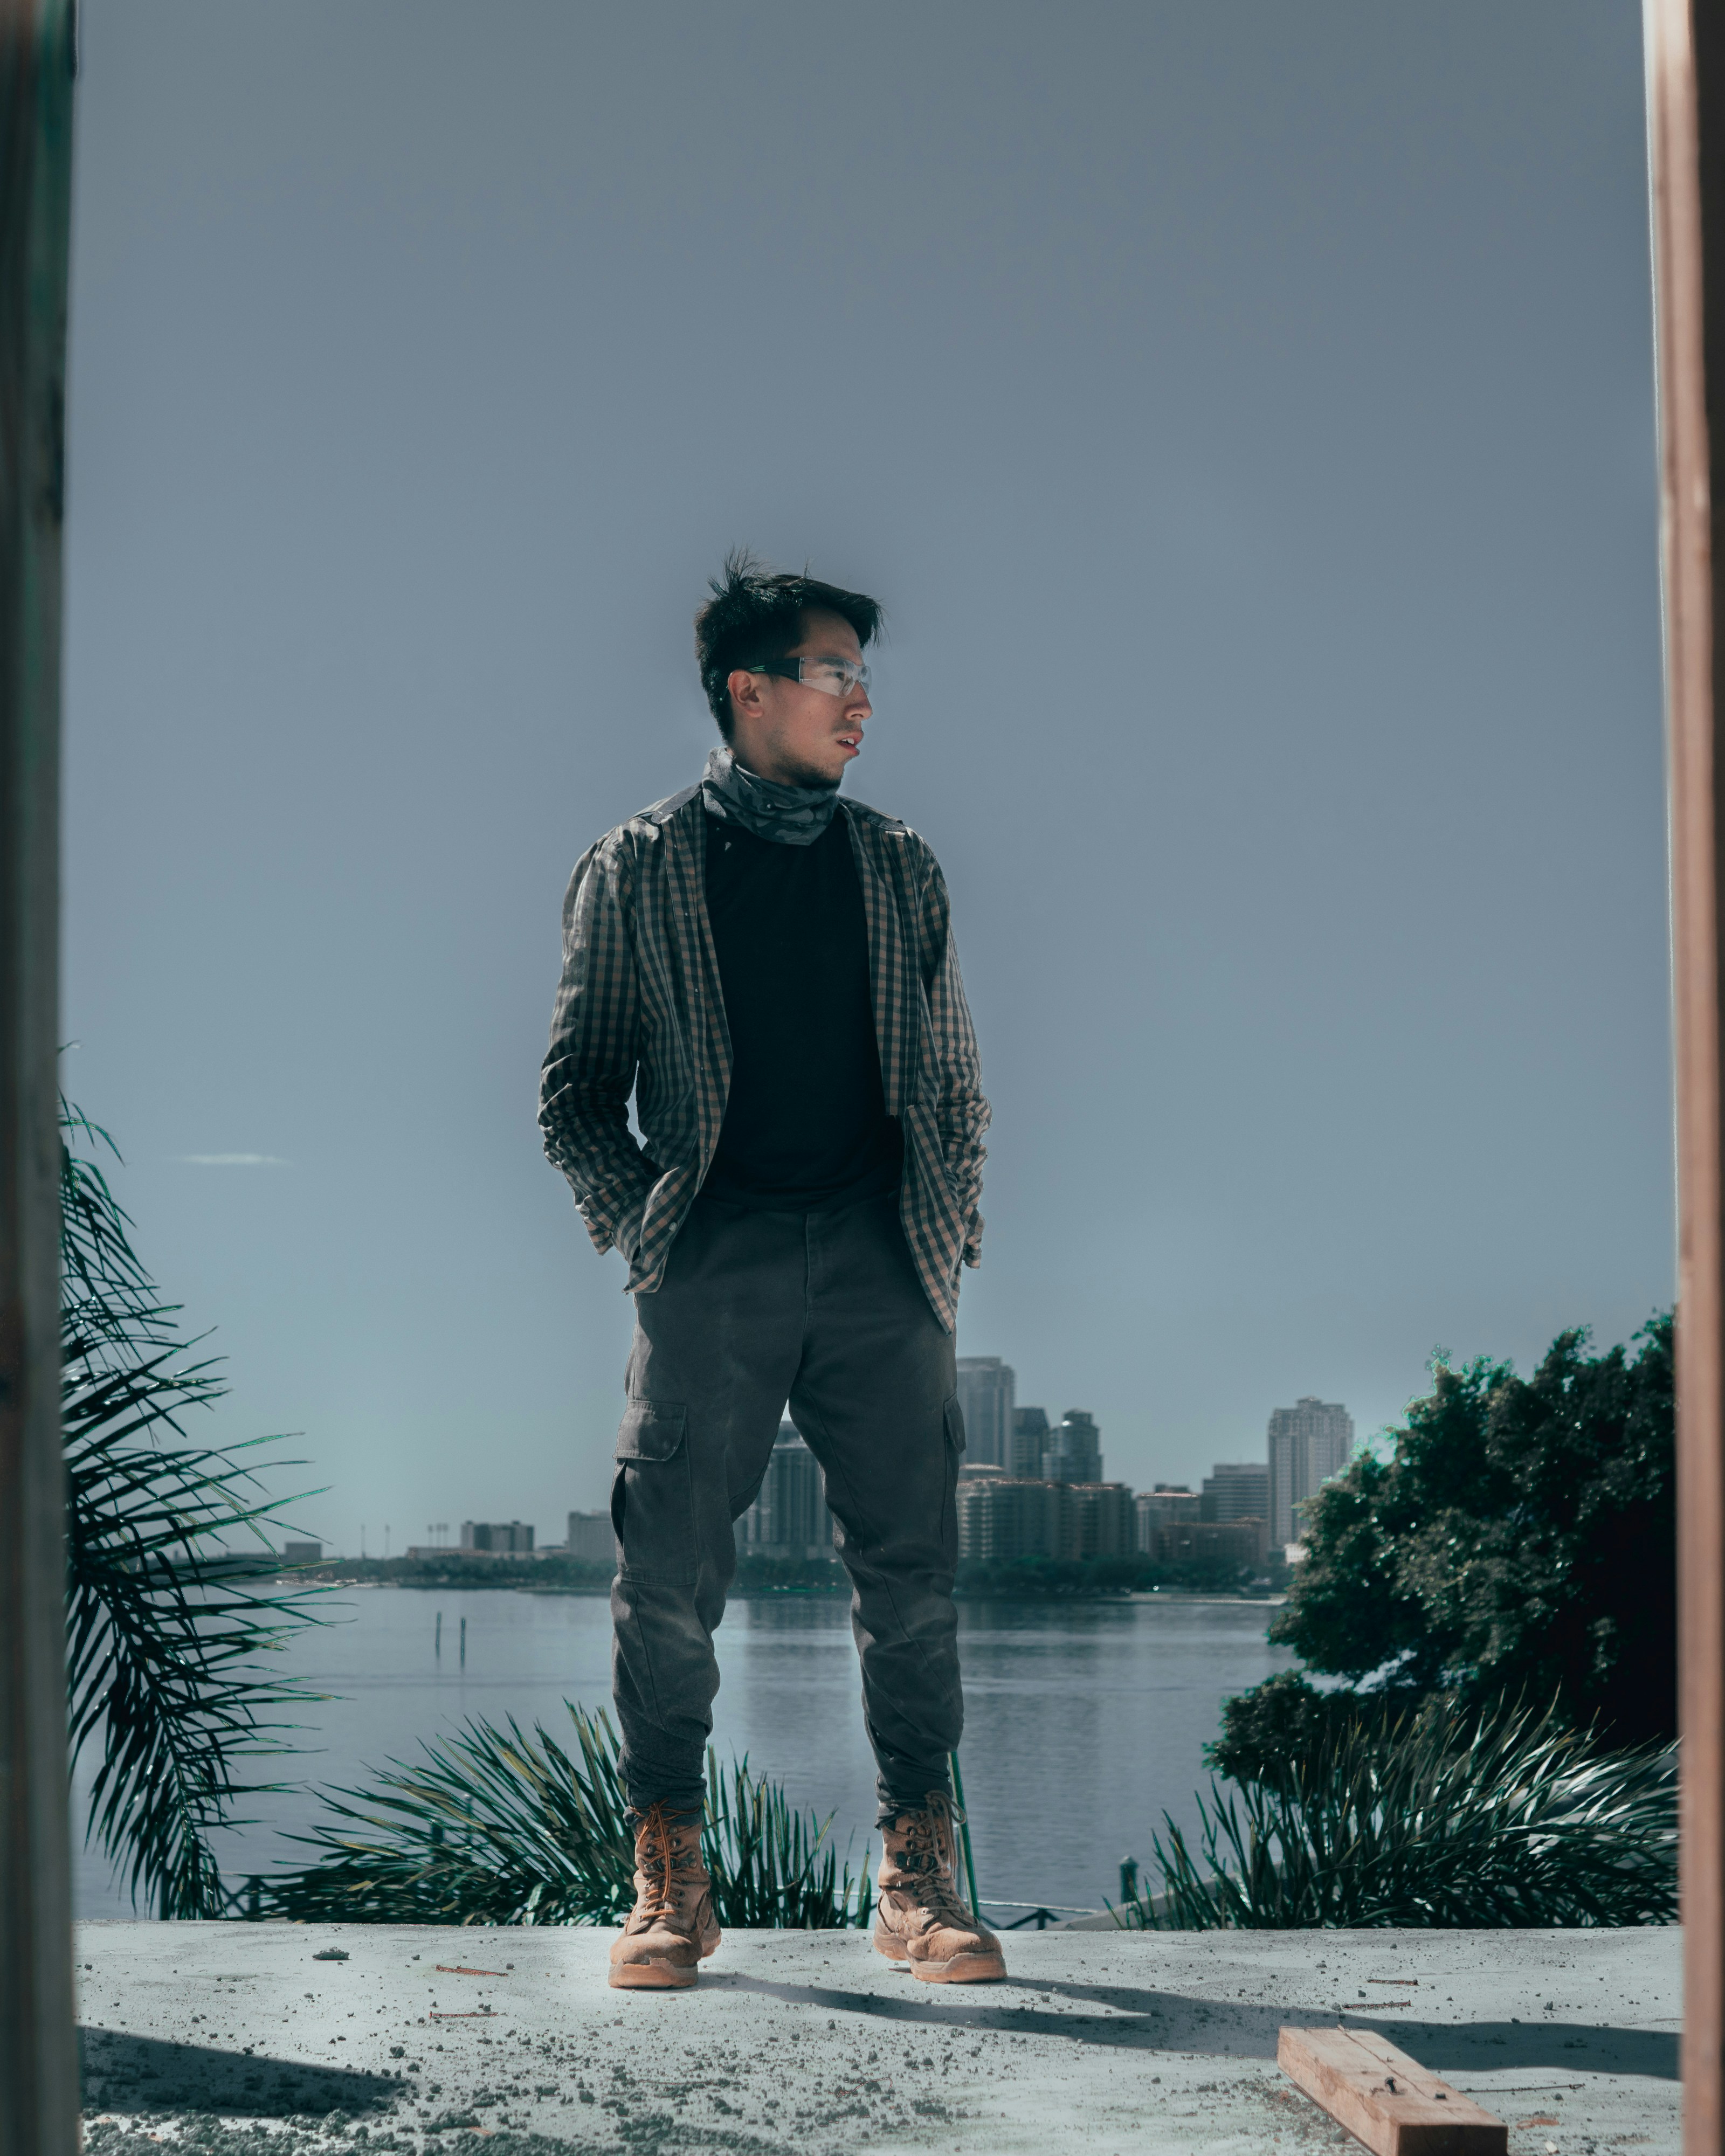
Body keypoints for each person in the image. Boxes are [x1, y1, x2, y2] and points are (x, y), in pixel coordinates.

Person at [539, 550, 1002, 1990]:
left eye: (867, 676)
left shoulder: (900, 865)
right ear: (750, 691)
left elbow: (958, 1082)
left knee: (913, 1581)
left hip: (882, 1257)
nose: (861, 701)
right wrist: (653, 1240)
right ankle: (670, 1882)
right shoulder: (643, 865)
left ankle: (918, 1882)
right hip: (712, 1261)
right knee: (666, 1583)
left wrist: (945, 1239)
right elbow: (574, 1090)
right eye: (832, 674)